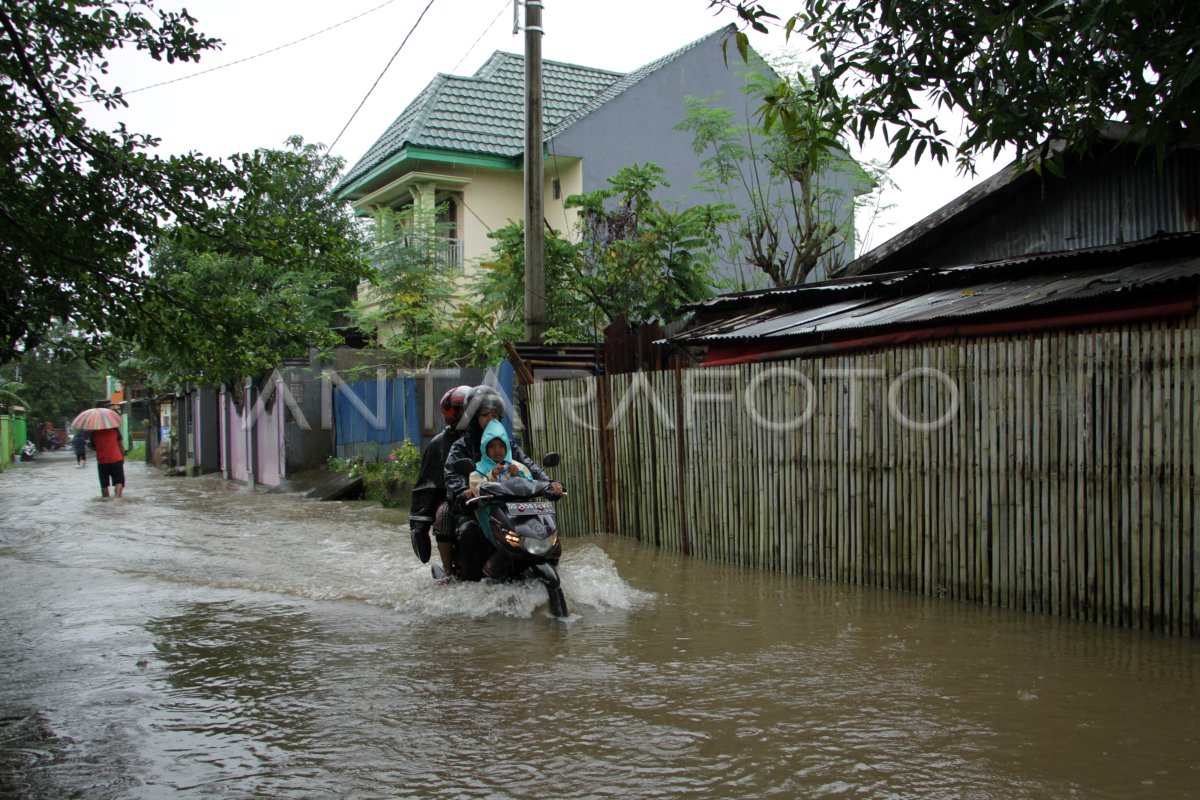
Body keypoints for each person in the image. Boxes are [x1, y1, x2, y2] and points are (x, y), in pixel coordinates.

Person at [443, 385, 562, 580]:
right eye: (485, 415)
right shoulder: (461, 447)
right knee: (468, 532)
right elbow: (453, 478)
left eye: (495, 416)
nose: (491, 420)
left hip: (512, 508)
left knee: (542, 525)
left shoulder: (509, 445)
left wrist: (550, 484)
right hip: (479, 511)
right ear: (473, 418)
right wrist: (465, 491)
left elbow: (530, 467)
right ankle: (472, 584)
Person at [408, 385, 473, 575]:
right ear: (452, 412)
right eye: (464, 409)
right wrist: (419, 524)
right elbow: (426, 487)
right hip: (454, 498)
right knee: (443, 515)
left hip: (489, 494)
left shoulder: (490, 438)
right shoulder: (439, 444)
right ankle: (448, 570)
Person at [468, 418, 532, 493]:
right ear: (485, 449)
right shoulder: (477, 469)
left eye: (501, 446)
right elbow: (474, 493)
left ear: (507, 447)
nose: (497, 450)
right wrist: (491, 476)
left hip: (515, 504)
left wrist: (518, 476)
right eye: (491, 446)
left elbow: (531, 489)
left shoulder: (520, 468)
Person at [92, 424, 126, 498]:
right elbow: (120, 445)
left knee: (104, 485)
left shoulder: (94, 432)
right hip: (116, 459)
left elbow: (94, 447)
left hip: (102, 461)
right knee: (119, 481)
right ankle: (117, 499)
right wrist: (123, 457)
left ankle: (106, 501)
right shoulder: (115, 430)